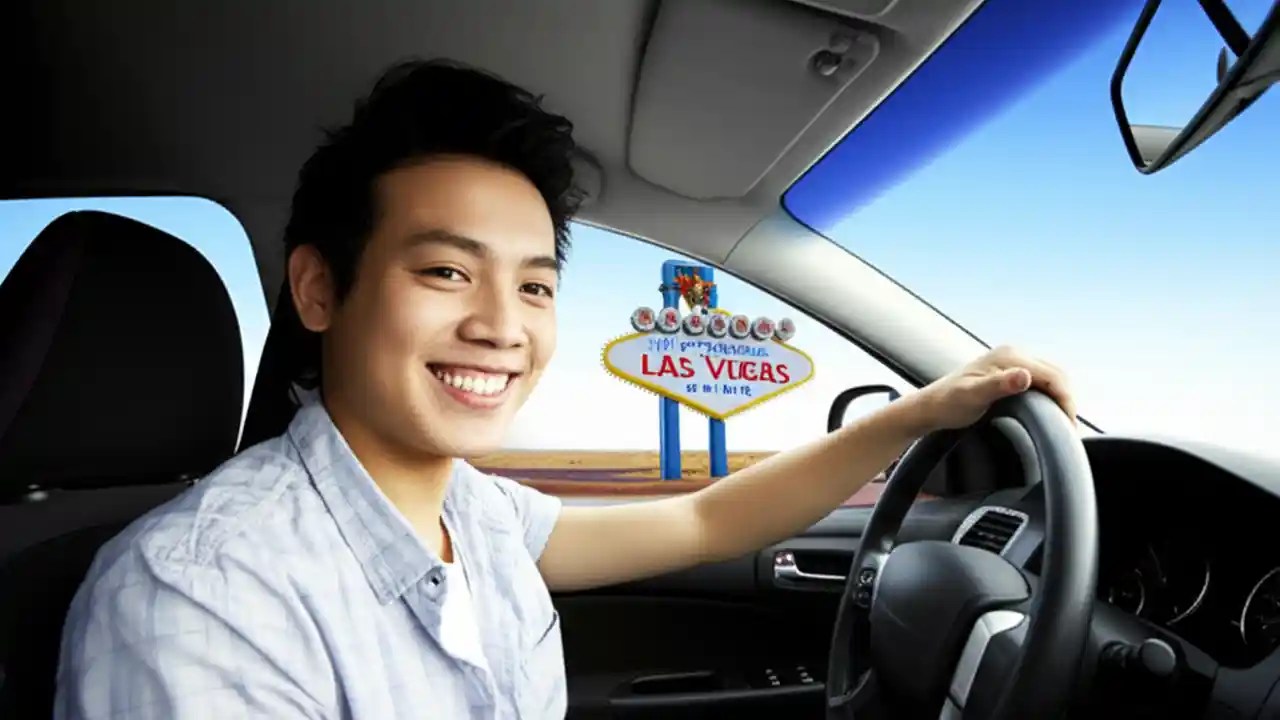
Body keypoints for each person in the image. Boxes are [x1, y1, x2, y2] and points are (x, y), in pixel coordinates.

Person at [54, 59, 1077, 720]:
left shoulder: (475, 514)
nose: (501, 325)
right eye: (446, 271)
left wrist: (926, 409)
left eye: (534, 284)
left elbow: (707, 519)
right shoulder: (203, 595)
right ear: (320, 289)